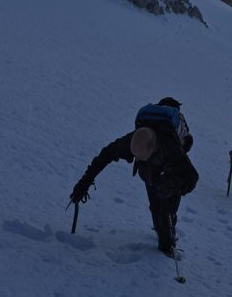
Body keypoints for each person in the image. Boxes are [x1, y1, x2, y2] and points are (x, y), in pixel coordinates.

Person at [69, 97, 198, 257]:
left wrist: (172, 185)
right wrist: (84, 182)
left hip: (171, 174)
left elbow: (192, 176)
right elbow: (106, 155)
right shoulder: (132, 140)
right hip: (149, 173)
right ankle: (162, 233)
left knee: (166, 212)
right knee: (156, 208)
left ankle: (166, 246)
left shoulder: (171, 147)